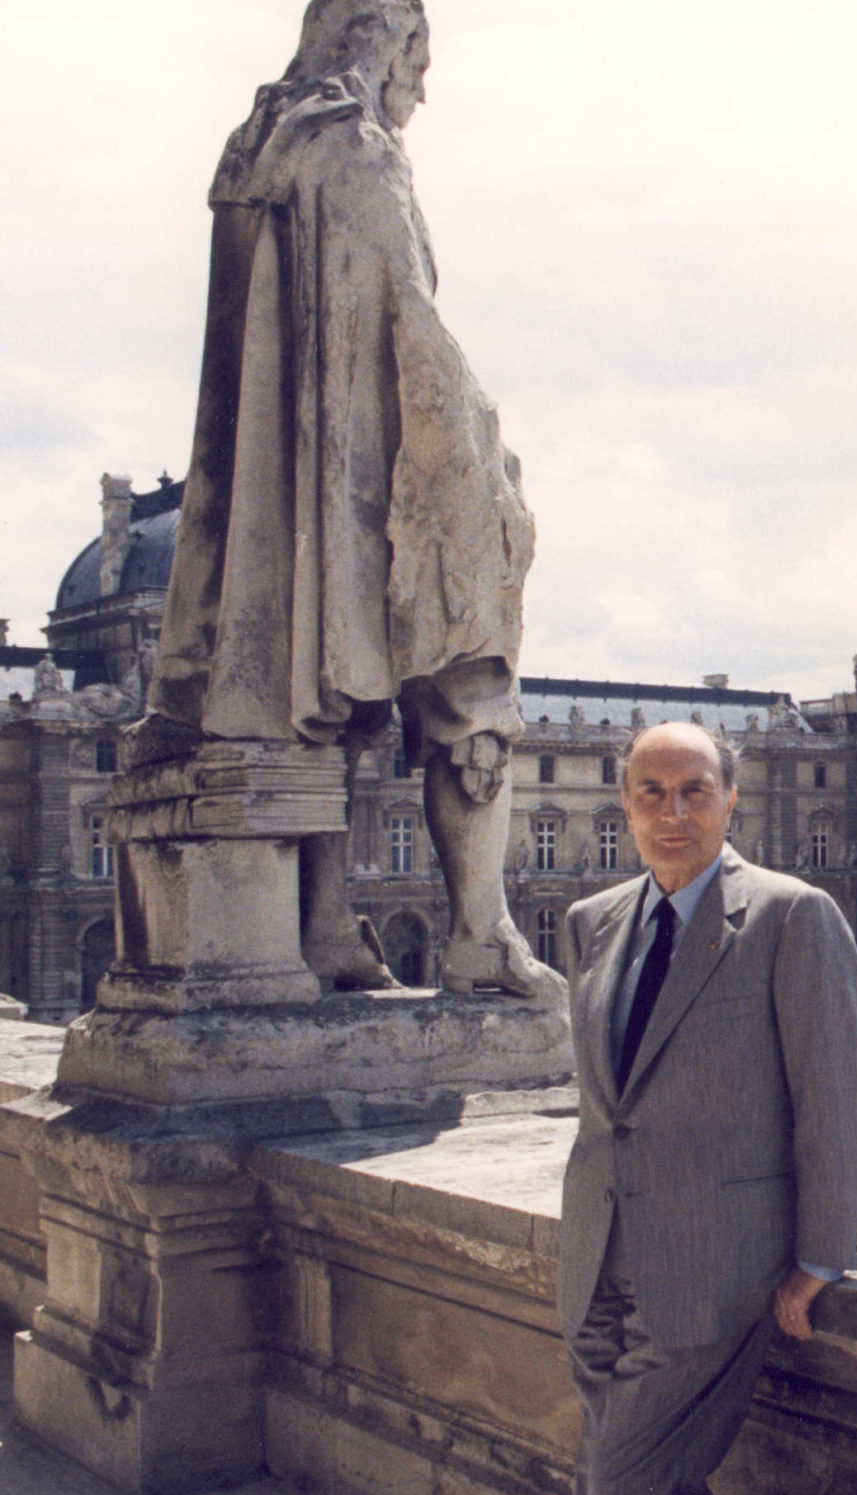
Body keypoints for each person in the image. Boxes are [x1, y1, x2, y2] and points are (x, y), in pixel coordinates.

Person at [146, 0, 555, 999]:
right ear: (383, 42)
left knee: (319, 692)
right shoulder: (356, 149)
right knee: (476, 679)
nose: (424, 83)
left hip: (275, 523)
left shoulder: (261, 145)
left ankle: (326, 926)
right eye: (419, 56)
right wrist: (485, 464)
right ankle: (480, 934)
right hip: (369, 493)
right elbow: (411, 330)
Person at [558, 722, 857, 1495]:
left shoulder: (791, 914)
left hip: (716, 1265)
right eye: (651, 792)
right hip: (600, 1256)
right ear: (624, 807)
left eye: (694, 790)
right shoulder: (592, 922)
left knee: (633, 1484)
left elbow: (836, 1092)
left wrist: (822, 1256)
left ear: (732, 799)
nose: (672, 811)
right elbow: (608, 1106)